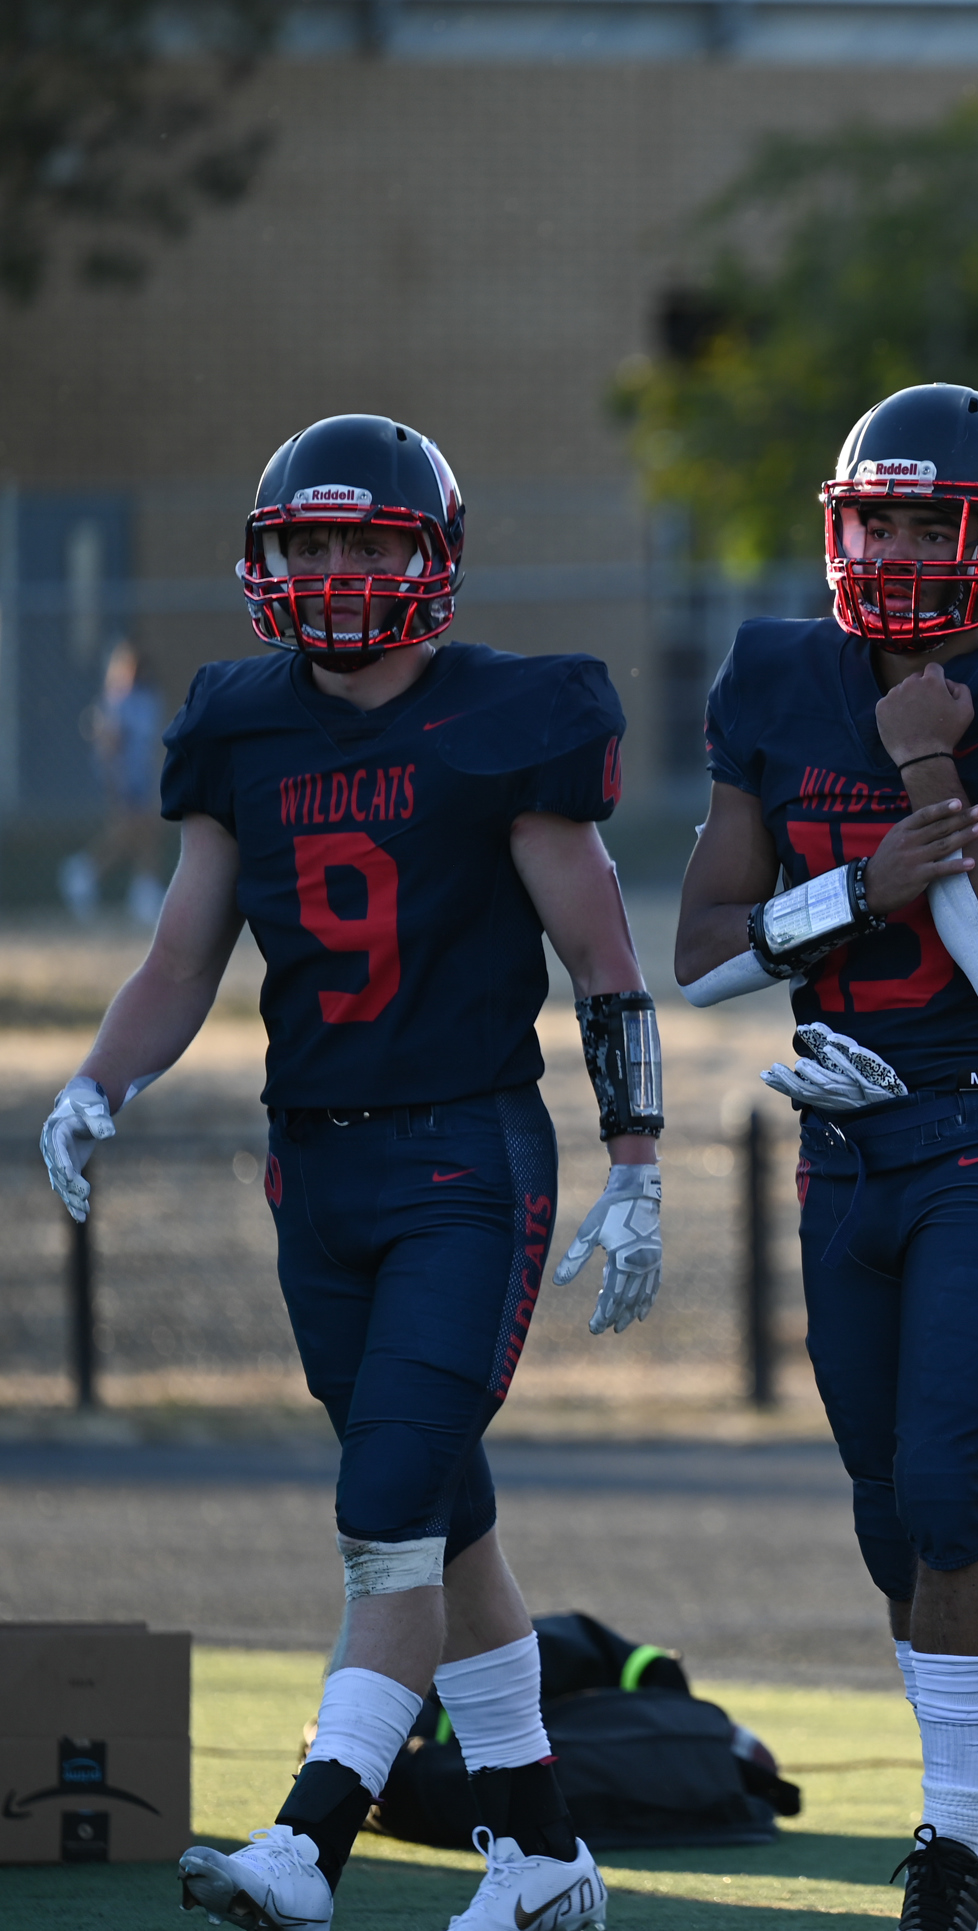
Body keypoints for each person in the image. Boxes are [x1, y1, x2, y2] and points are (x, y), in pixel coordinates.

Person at [38, 414, 668, 1931]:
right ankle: (543, 1857)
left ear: (427, 563)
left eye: (363, 543)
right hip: (313, 1172)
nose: (330, 571)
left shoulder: (508, 715)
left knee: (385, 1497)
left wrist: (635, 1160)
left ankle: (312, 1840)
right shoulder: (242, 722)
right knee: (445, 1518)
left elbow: (603, 960)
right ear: (267, 563)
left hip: (465, 1155)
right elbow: (185, 951)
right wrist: (93, 1078)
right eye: (306, 543)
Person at [674, 383, 978, 1931]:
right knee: (888, 1509)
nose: (889, 543)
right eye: (872, 514)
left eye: (926, 518)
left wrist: (925, 769)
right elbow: (699, 951)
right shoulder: (773, 672)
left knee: (954, 1480)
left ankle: (968, 1848)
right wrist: (861, 884)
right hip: (848, 1135)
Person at [60, 639, 168, 924]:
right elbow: (110, 748)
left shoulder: (148, 699)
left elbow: (154, 744)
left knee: (145, 833)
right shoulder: (115, 703)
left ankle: (141, 891)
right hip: (124, 779)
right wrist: (116, 784)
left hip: (144, 777)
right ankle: (86, 873)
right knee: (127, 832)